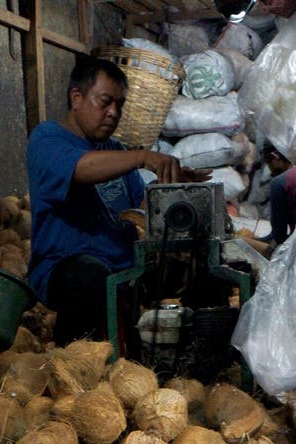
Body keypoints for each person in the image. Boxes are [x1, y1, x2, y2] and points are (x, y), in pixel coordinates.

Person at [26, 54, 199, 347]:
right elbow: (80, 169)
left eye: (119, 105)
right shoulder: (47, 138)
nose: (113, 113)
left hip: (124, 265)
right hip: (65, 266)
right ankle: (77, 359)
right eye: (105, 102)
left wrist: (168, 186)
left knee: (196, 264)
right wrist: (142, 157)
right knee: (91, 277)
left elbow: (139, 211)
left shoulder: (115, 149)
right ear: (76, 97)